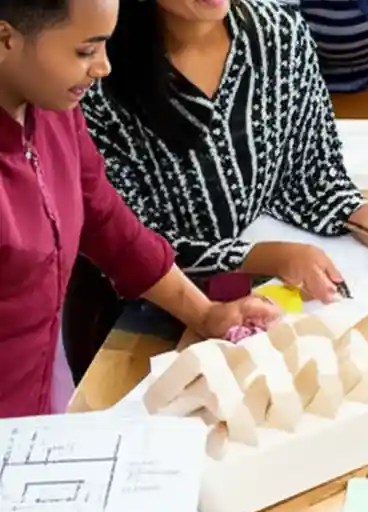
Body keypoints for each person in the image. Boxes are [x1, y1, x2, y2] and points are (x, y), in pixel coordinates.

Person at [74, 0, 368, 333]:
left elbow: (314, 173)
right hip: (141, 315)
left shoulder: (278, 34)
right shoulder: (96, 72)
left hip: (247, 305)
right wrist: (266, 256)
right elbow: (128, 237)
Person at [0, 0, 279, 418]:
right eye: (85, 51)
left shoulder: (53, 108)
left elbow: (108, 222)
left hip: (39, 391)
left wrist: (204, 313)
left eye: (105, 46)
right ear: (6, 39)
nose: (103, 67)